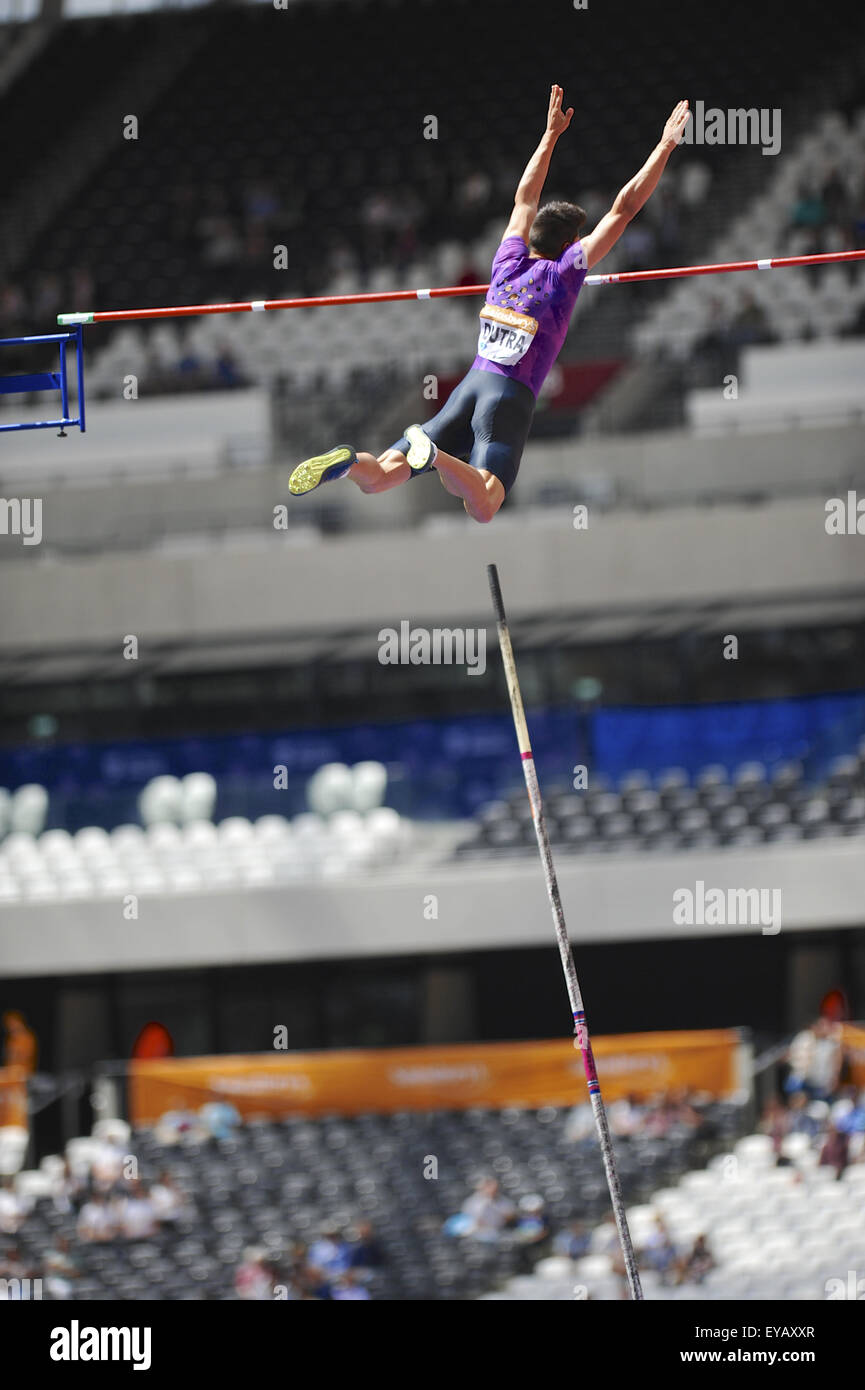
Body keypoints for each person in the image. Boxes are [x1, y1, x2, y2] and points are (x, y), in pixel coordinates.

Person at [287, 89, 692, 523]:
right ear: (570, 245)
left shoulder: (506, 260)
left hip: (471, 386)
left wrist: (550, 136)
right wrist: (665, 145)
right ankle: (437, 457)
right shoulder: (564, 273)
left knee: (380, 477)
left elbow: (524, 199)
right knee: (485, 503)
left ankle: (349, 463)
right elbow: (624, 208)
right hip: (509, 398)